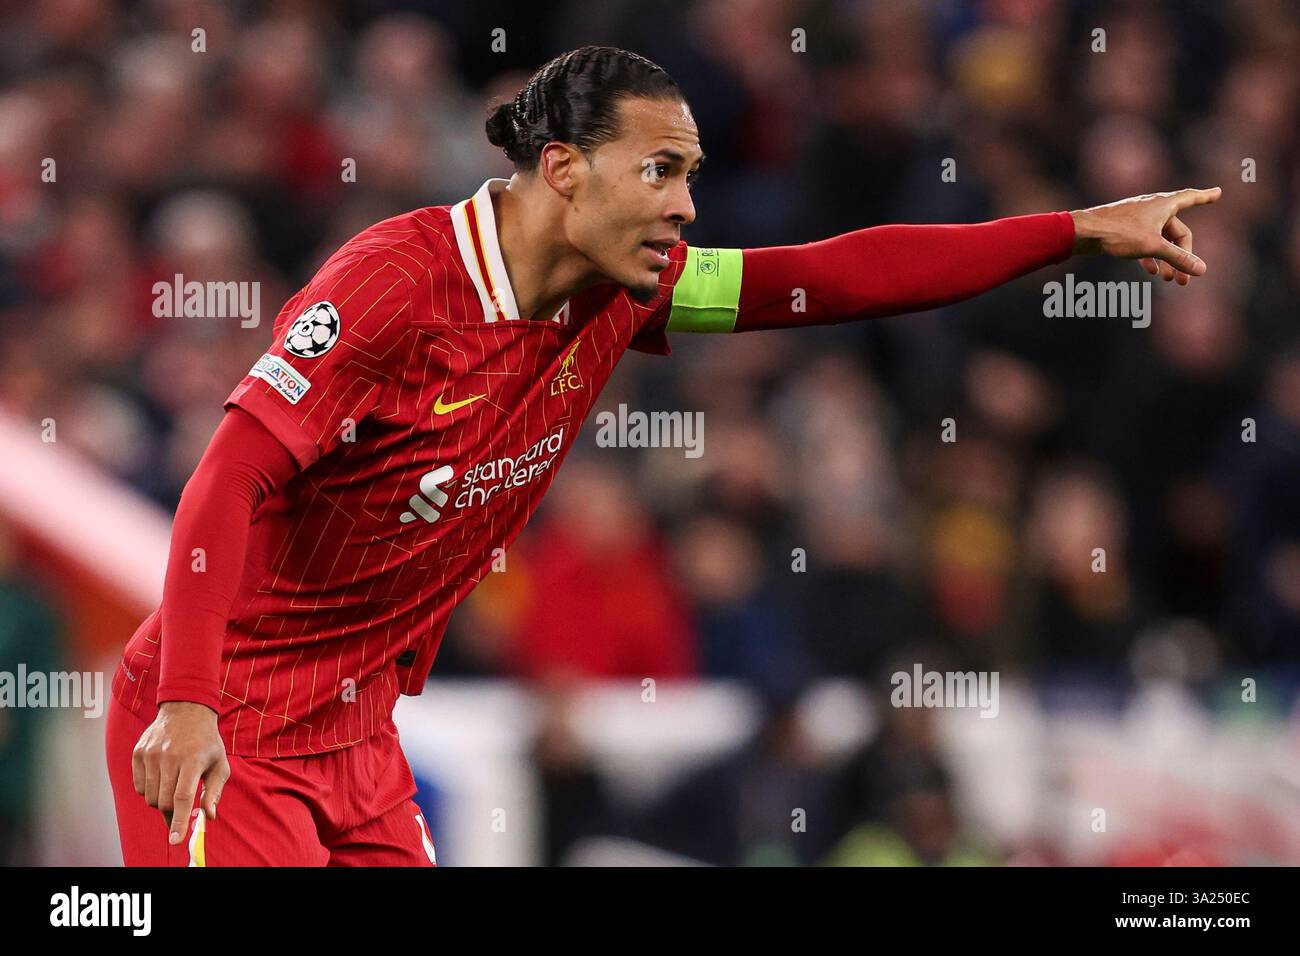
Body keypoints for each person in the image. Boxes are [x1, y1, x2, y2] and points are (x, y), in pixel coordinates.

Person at [105, 45, 1220, 866]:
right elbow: (227, 478)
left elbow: (834, 276)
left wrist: (1074, 230)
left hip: (356, 732)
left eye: (692, 175)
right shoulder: (392, 289)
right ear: (563, 171)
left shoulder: (628, 294)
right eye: (660, 173)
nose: (686, 207)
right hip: (225, 716)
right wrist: (191, 701)